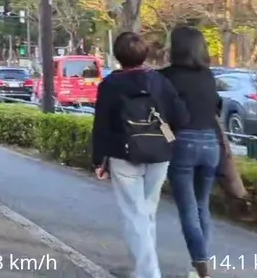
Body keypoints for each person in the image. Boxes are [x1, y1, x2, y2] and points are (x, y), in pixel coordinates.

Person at [91, 32, 189, 278]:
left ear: (118, 56)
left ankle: (149, 272)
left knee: (134, 214)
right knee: (147, 213)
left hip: (124, 154)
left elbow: (101, 125)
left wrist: (98, 160)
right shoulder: (160, 81)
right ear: (145, 54)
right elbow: (181, 117)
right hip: (160, 154)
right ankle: (142, 270)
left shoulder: (110, 85)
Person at [160, 26, 222, 278]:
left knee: (187, 209)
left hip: (183, 143)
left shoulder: (166, 77)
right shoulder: (208, 76)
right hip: (211, 144)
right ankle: (198, 267)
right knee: (202, 206)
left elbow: (160, 115)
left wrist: (169, 139)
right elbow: (216, 108)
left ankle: (201, 265)